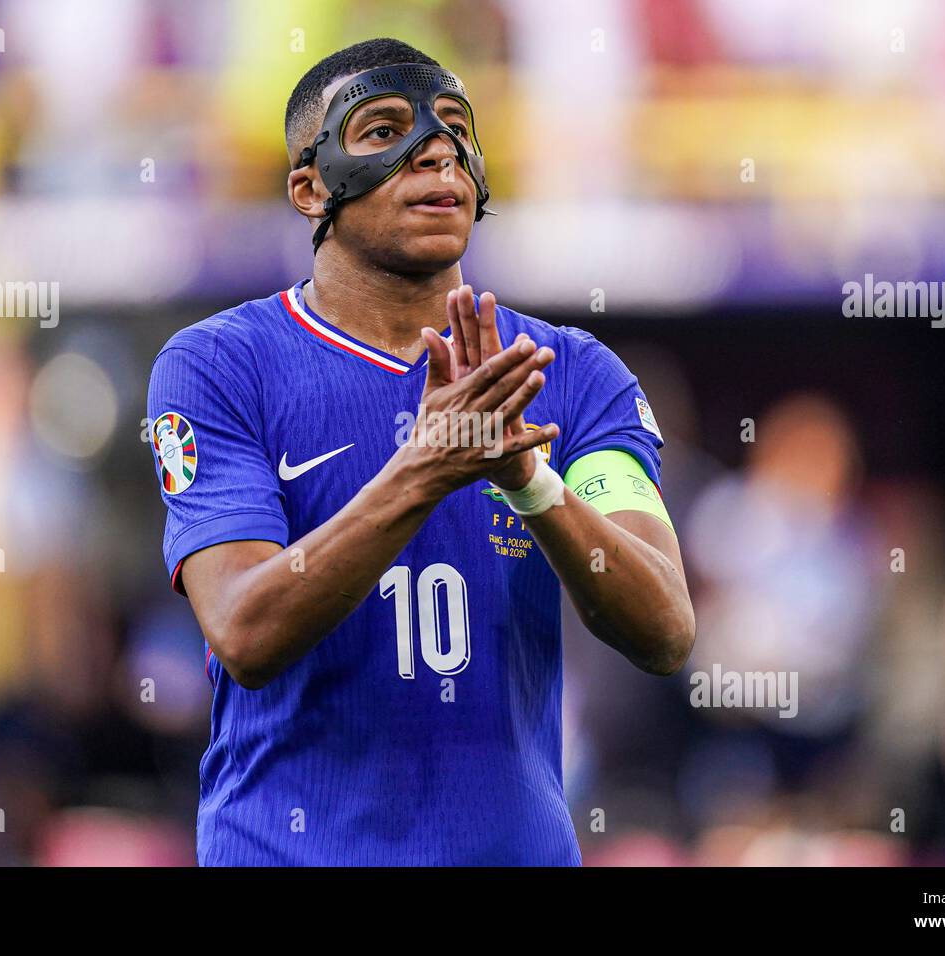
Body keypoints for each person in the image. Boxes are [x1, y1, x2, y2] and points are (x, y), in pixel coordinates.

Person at [147, 38, 694, 866]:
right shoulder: (218, 365)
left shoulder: (573, 373)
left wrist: (529, 483)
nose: (436, 148)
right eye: (383, 130)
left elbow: (664, 627)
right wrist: (423, 471)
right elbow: (245, 631)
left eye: (456, 131)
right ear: (309, 186)